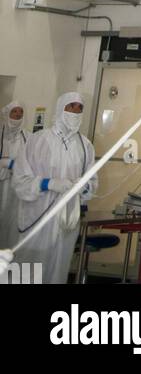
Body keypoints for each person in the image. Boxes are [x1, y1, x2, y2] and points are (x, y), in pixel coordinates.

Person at [13, 92, 97, 284]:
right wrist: (48, 183)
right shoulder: (38, 140)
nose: (75, 111)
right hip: (37, 215)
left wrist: (84, 188)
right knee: (29, 268)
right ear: (61, 108)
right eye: (71, 107)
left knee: (58, 269)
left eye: (79, 108)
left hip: (67, 220)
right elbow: (20, 180)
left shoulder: (85, 145)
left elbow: (92, 180)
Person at [0, 102, 30, 252]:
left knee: (11, 222)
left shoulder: (27, 137)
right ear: (7, 114)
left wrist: (16, 166)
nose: (18, 114)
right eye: (14, 112)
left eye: (20, 112)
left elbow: (31, 160)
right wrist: (4, 163)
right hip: (1, 183)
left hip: (16, 188)